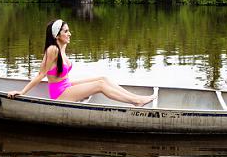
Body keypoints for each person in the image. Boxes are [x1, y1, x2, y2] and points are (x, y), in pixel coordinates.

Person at [8, 19, 153, 106]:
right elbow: (40, 74)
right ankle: (136, 101)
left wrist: (63, 45)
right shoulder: (52, 50)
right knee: (100, 85)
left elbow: (61, 69)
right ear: (57, 35)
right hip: (60, 93)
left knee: (103, 78)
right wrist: (21, 92)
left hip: (68, 85)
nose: (69, 34)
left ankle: (136, 98)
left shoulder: (61, 48)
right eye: (66, 31)